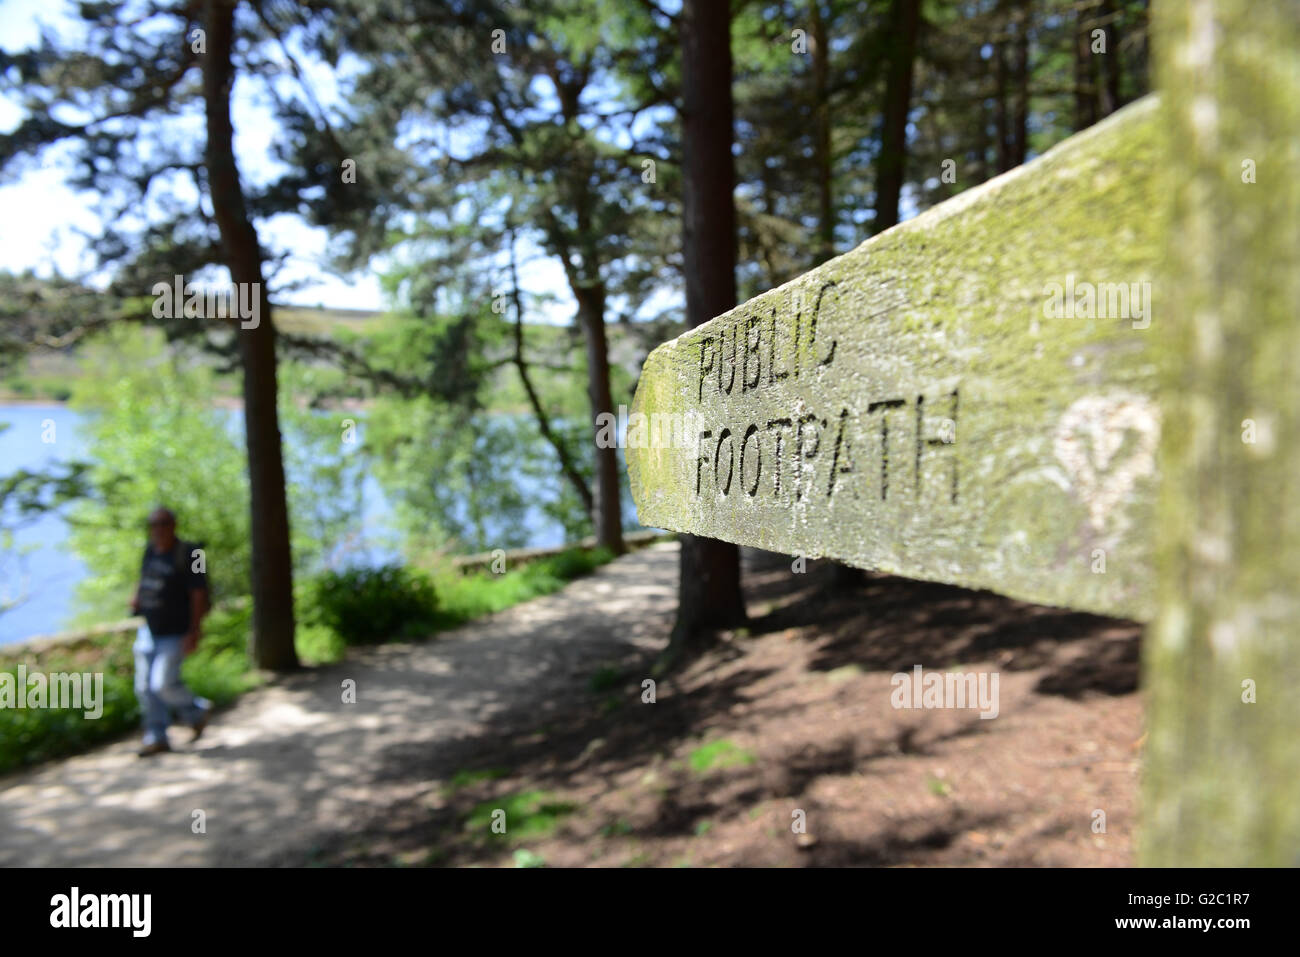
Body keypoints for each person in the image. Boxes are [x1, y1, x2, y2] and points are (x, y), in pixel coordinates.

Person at [129, 507, 212, 757]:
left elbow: (200, 592)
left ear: (174, 524)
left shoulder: (194, 553)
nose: (158, 529)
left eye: (163, 523)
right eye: (153, 524)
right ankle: (156, 736)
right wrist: (136, 598)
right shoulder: (149, 550)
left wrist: (195, 631)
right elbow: (143, 578)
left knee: (162, 683)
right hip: (149, 629)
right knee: (144, 687)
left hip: (177, 632)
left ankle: (196, 710)